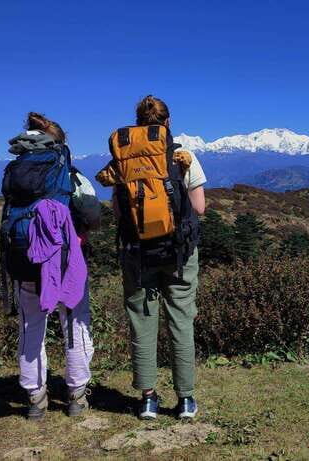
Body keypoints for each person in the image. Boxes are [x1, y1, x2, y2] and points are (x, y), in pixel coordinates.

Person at [101, 95, 206, 420]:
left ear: (137, 123)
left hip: (138, 254)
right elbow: (200, 207)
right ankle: (185, 399)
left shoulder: (122, 159)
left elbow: (119, 211)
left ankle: (148, 399)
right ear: (168, 122)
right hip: (178, 252)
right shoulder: (182, 156)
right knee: (181, 321)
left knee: (142, 322)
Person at [2, 113, 95, 420]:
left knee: (31, 327)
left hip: (25, 259)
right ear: (60, 144)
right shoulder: (70, 176)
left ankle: (35, 398)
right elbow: (93, 216)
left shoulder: (16, 174)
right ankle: (76, 395)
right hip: (65, 262)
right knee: (75, 326)